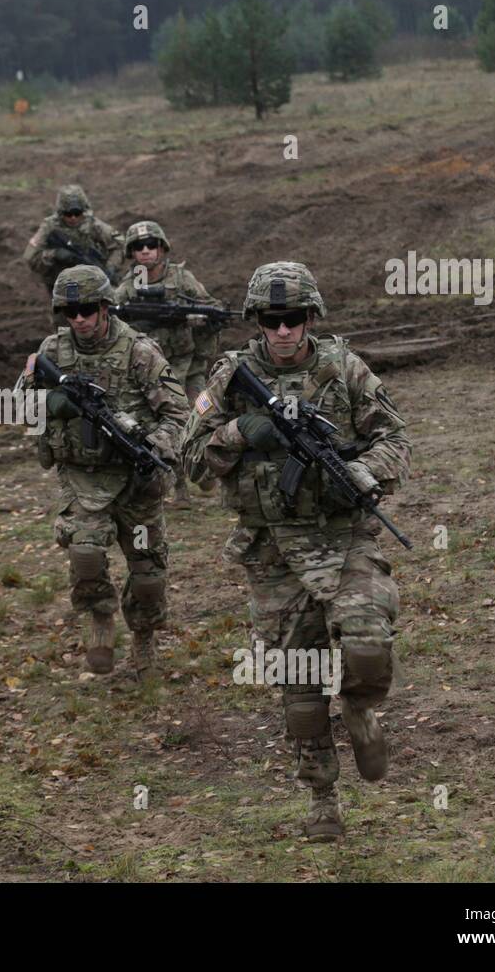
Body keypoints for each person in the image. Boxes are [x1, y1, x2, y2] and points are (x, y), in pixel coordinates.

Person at [181, 262, 411, 841]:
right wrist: (239, 432)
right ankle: (323, 802)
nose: (284, 331)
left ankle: (359, 709)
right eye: (271, 320)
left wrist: (359, 470)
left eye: (294, 319)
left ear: (312, 317)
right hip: (271, 551)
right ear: (257, 322)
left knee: (367, 639)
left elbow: (396, 439)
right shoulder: (231, 377)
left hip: (343, 537)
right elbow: (187, 463)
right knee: (299, 686)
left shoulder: (342, 369)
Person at [17, 265, 189, 681]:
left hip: (136, 477)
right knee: (86, 553)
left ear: (105, 306)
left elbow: (179, 413)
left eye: (88, 309)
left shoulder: (138, 352)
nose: (79, 318)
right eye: (70, 311)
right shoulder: (52, 353)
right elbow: (21, 405)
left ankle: (145, 638)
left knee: (148, 575)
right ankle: (99, 616)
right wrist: (52, 405)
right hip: (83, 477)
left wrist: (153, 446)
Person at [112, 219, 227, 501]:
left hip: (190, 368)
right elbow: (113, 324)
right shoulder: (127, 290)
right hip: (153, 376)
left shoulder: (181, 279)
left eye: (152, 245)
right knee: (165, 427)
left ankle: (205, 470)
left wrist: (200, 319)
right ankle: (178, 487)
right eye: (139, 247)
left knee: (203, 416)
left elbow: (212, 308)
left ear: (162, 248)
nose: (146, 251)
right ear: (131, 253)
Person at [22, 184, 123, 298]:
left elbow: (119, 245)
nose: (73, 218)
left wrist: (111, 267)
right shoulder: (49, 227)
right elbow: (30, 257)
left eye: (77, 213)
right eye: (68, 214)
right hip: (63, 288)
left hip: (93, 282)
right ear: (60, 212)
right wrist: (54, 254)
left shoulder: (93, 225)